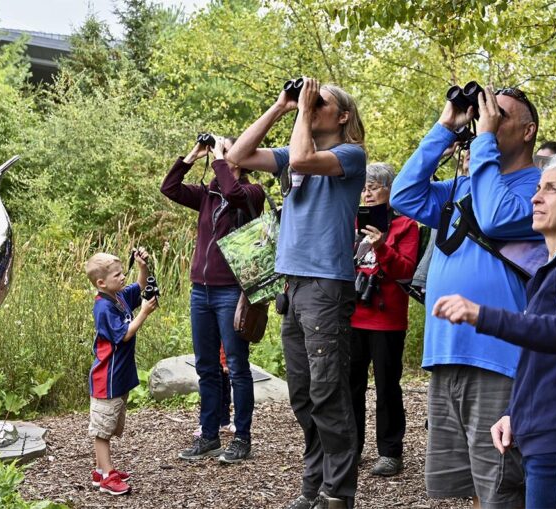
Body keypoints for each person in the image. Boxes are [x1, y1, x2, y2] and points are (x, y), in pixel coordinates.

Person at [433, 155, 556, 508]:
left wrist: (482, 315)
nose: (535, 198)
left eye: (551, 189)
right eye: (537, 189)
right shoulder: (554, 269)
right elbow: (543, 360)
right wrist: (516, 414)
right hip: (550, 438)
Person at [390, 85, 542, 508]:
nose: (487, 119)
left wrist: (484, 142)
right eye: (483, 113)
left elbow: (494, 218)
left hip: (501, 358)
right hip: (446, 353)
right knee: (472, 488)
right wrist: (446, 126)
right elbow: (403, 194)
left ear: (528, 131)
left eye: (500, 114)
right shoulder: (459, 189)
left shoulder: (542, 189)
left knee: (502, 487)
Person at [228, 77, 366, 509]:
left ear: (342, 116)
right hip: (293, 285)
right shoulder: (296, 152)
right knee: (303, 394)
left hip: (326, 286)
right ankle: (314, 485)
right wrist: (281, 106)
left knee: (328, 391)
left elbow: (304, 160)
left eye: (320, 101)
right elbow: (237, 155)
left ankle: (338, 493)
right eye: (311, 98)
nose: (311, 103)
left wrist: (302, 113)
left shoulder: (350, 155)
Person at [160, 135, 264, 463]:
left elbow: (233, 192)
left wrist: (221, 158)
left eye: (230, 150)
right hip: (200, 290)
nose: (222, 154)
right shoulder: (208, 195)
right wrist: (193, 154)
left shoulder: (252, 192)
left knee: (236, 366)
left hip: (231, 291)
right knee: (206, 366)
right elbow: (170, 188)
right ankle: (209, 436)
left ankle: (242, 438)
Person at [349, 163, 419, 477]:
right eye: (364, 187)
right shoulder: (352, 222)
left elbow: (405, 270)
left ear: (390, 191)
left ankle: (390, 452)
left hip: (387, 317)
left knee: (387, 386)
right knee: (351, 386)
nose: (367, 192)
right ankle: (351, 448)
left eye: (374, 186)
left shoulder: (406, 226)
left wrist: (382, 247)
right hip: (354, 315)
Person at [85, 250, 159, 495]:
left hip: (118, 378)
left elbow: (139, 285)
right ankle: (107, 476)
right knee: (102, 431)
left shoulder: (118, 296)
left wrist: (142, 266)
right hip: (106, 379)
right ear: (101, 283)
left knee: (110, 425)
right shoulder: (104, 308)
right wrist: (144, 313)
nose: (123, 276)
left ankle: (99, 471)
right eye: (117, 275)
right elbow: (125, 334)